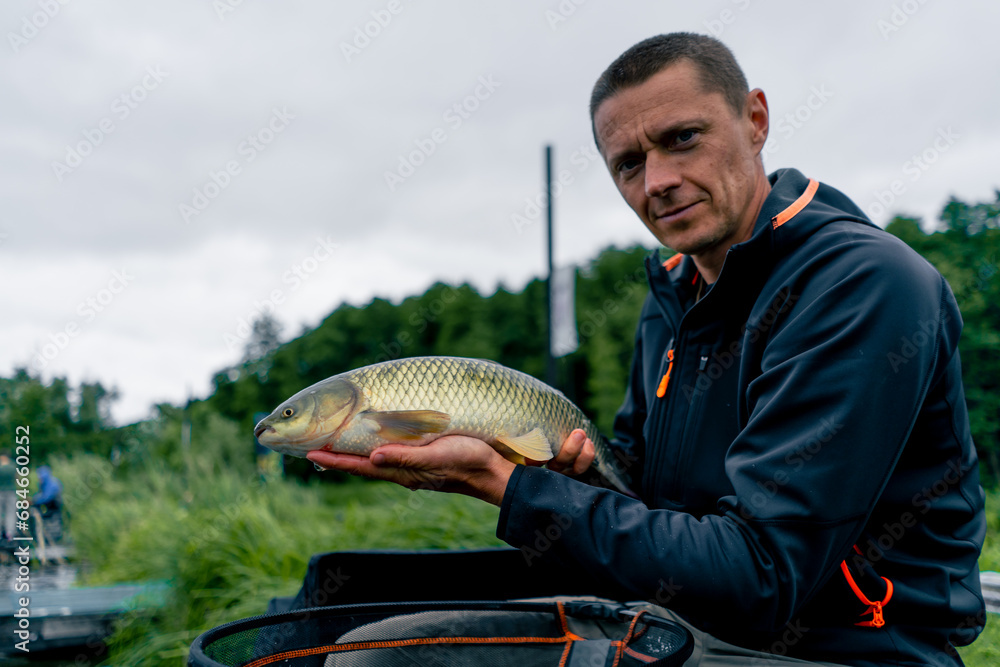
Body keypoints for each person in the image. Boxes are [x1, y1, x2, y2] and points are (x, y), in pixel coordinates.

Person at [308, 33, 986, 666]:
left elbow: (762, 573)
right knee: (337, 607)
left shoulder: (862, 288)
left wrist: (511, 488)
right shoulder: (674, 293)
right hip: (682, 617)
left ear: (755, 120)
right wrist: (574, 477)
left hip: (843, 646)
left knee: (382, 654)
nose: (655, 180)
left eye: (682, 139)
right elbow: (651, 498)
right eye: (628, 163)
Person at [0, 453, 17, 541]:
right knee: (10, 514)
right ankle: (10, 534)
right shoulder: (13, 466)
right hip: (11, 492)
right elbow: (17, 478)